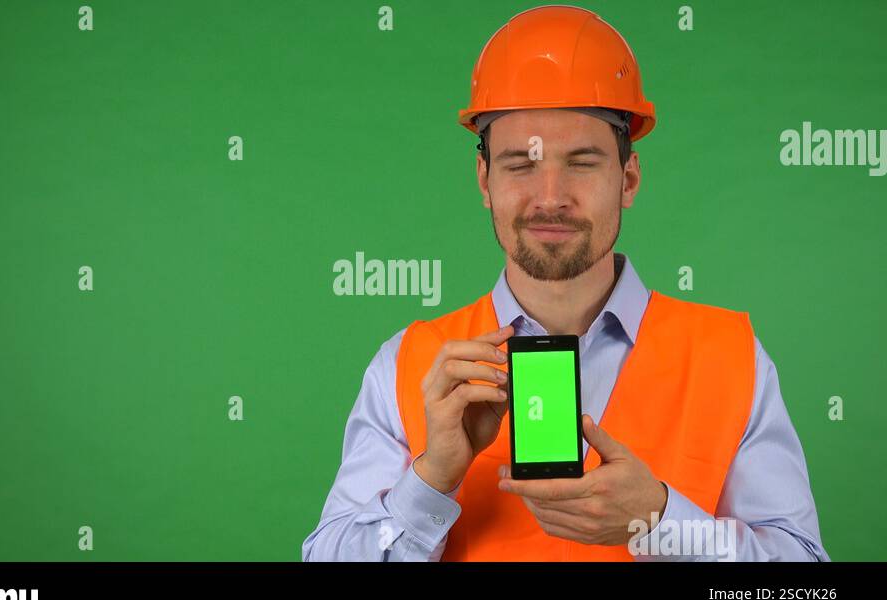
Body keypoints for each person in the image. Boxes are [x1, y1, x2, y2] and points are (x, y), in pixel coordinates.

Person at [302, 5, 829, 561]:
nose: (550, 196)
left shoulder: (731, 359)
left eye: (581, 162)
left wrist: (662, 522)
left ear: (627, 177)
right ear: (485, 180)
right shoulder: (409, 365)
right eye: (520, 164)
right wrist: (432, 478)